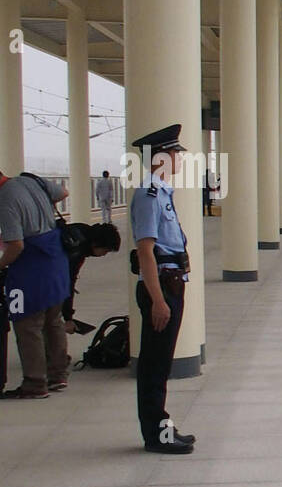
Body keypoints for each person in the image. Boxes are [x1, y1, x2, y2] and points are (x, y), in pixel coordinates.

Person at [0, 158, 70, 398]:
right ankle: (58, 376)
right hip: (55, 263)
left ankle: (35, 384)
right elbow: (63, 191)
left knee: (27, 326)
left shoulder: (4, 202)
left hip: (29, 272)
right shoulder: (29, 180)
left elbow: (16, 245)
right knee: (54, 321)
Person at [129, 123, 195, 455]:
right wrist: (157, 300)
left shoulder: (162, 192)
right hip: (162, 289)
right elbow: (146, 251)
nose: (179, 161)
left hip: (170, 285)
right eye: (175, 155)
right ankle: (157, 436)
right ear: (160, 159)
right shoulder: (148, 194)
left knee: (161, 363)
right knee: (155, 365)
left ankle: (163, 429)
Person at [61, 222, 121, 333]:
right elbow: (68, 282)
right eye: (106, 250)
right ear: (96, 244)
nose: (104, 254)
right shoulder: (77, 250)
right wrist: (68, 318)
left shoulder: (79, 232)